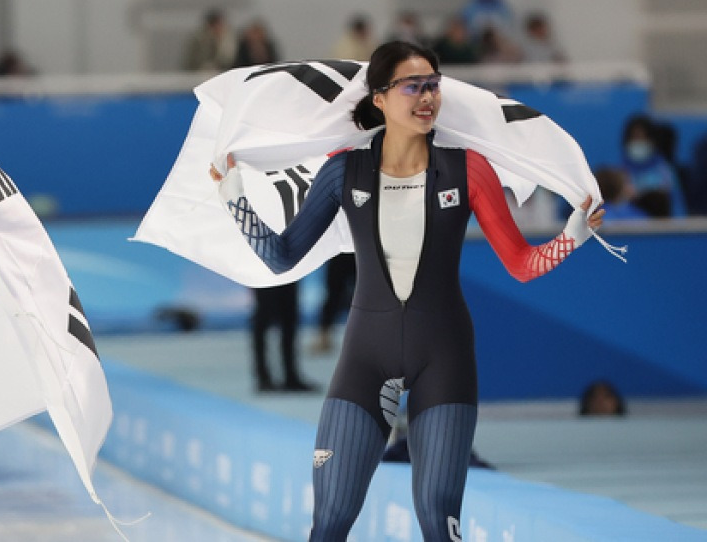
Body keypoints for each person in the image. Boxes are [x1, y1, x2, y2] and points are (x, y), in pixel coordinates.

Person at [210, 41, 604, 541]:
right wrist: (233, 196)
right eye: (413, 86)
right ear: (379, 98)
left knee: (439, 519)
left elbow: (522, 266)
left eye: (434, 85)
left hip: (444, 356)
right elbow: (282, 256)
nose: (427, 97)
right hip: (364, 355)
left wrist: (574, 234)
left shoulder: (468, 170)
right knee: (328, 522)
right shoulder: (344, 170)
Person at [249, 283, 316, 392]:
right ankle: (263, 376)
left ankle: (290, 375)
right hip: (264, 272)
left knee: (289, 318)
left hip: (289, 271)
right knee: (264, 317)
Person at [620, 114, 686, 217]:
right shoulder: (619, 173)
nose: (639, 142)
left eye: (643, 138)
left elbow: (677, 207)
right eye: (635, 138)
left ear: (652, 140)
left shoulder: (665, 171)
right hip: (628, 227)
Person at [182, 8, 236, 72]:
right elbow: (194, 60)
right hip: (200, 73)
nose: (218, 28)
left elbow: (228, 59)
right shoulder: (199, 39)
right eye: (215, 25)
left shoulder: (229, 39)